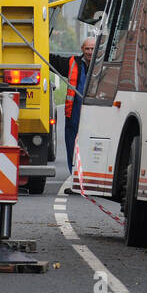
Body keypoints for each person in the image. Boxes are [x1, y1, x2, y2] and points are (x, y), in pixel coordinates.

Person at [63, 37, 96, 184]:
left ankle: (91, 176)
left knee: (92, 145)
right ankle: (75, 177)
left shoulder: (103, 65)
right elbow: (52, 60)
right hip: (74, 113)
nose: (90, 52)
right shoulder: (73, 63)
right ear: (82, 49)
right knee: (72, 145)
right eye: (87, 49)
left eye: (92, 48)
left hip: (95, 113)